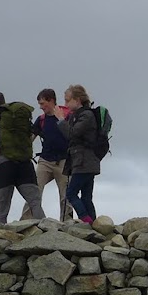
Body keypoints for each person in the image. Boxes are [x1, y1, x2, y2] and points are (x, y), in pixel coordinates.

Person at [0, 90, 44, 223]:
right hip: (25, 163)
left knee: (1, 207)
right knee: (35, 202)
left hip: (4, 165)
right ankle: (48, 231)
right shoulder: (17, 118)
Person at [61, 83, 104, 224]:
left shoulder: (86, 115)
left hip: (84, 162)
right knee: (86, 197)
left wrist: (60, 120)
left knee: (71, 193)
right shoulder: (78, 115)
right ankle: (94, 224)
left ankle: (86, 220)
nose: (65, 104)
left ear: (77, 100)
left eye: (68, 100)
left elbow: (72, 133)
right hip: (87, 162)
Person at [32, 88, 72, 222]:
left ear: (51, 101)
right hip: (45, 160)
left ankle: (66, 223)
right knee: (34, 190)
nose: (41, 107)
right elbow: (30, 138)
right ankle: (27, 221)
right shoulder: (41, 120)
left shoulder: (66, 115)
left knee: (65, 196)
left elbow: (73, 135)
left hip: (64, 161)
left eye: (42, 103)